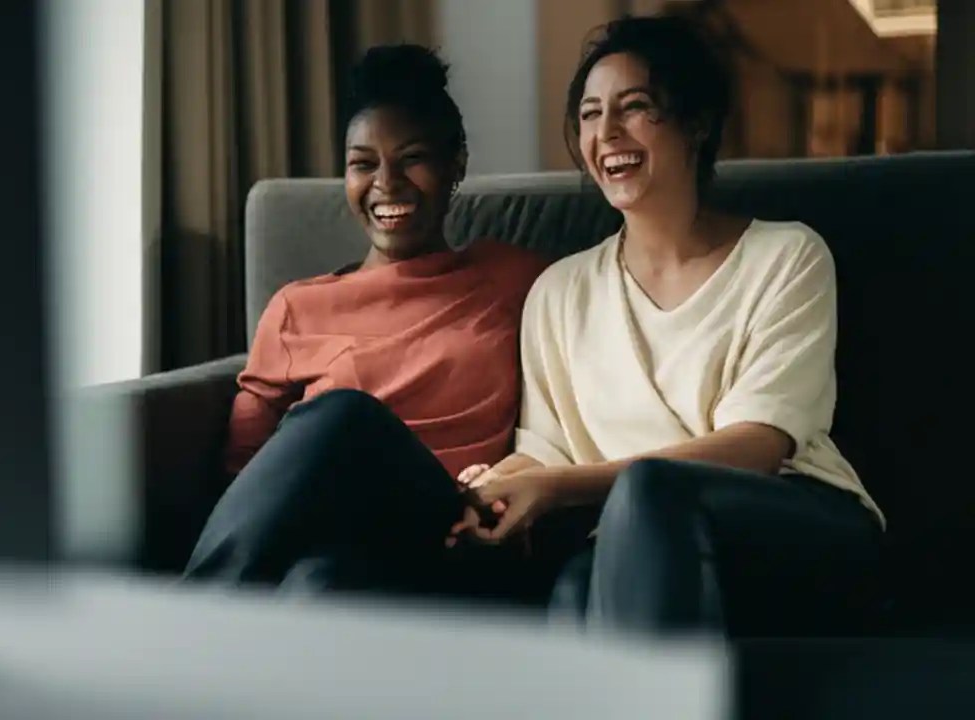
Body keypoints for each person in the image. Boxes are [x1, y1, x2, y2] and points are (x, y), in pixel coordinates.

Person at [454, 15, 885, 636]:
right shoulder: (558, 292)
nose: (606, 134)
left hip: (802, 525)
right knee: (576, 587)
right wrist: (494, 486)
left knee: (652, 491)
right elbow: (545, 449)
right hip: (642, 541)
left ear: (696, 123)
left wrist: (560, 486)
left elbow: (759, 445)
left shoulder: (787, 257)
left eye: (635, 108)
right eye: (589, 114)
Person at [182, 44, 559, 603]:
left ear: (456, 164)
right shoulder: (296, 307)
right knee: (315, 584)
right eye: (363, 163)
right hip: (342, 546)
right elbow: (249, 479)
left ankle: (186, 627)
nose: (387, 183)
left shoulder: (518, 278)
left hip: (461, 535)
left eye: (411, 159)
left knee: (344, 417)